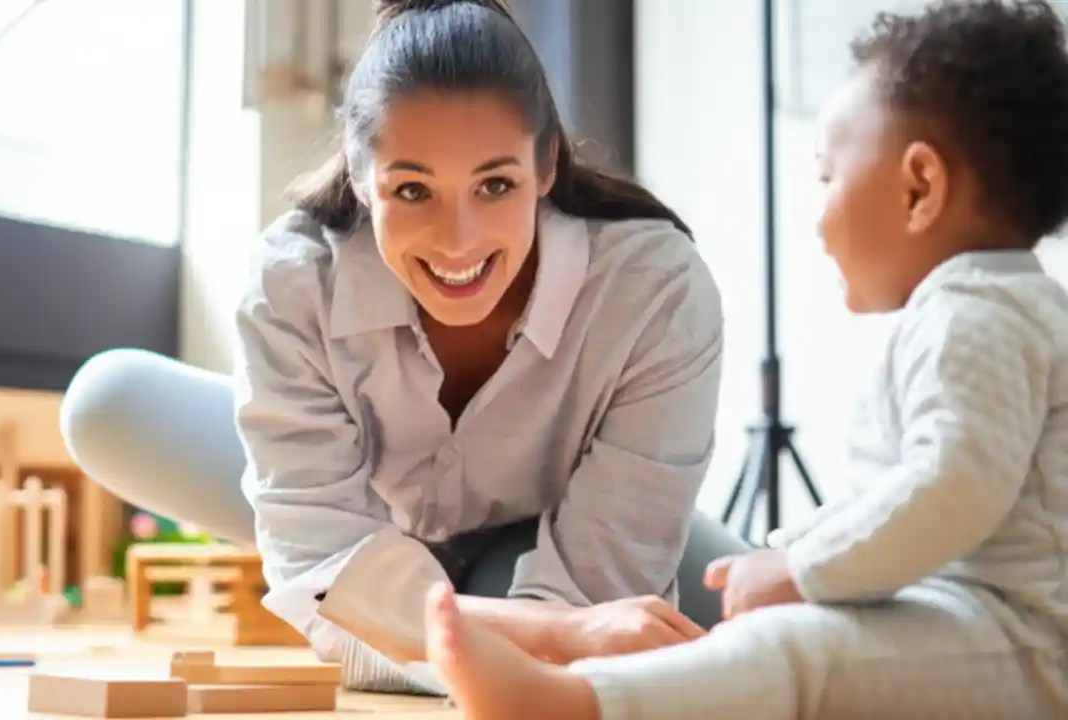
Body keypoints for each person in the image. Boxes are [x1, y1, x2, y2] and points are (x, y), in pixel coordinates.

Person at [419, 1, 1068, 718]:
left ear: (919, 188)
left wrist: (802, 570)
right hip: (983, 628)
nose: (818, 217)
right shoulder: (995, 308)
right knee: (789, 641)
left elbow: (949, 491)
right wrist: (798, 555)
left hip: (1027, 647)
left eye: (827, 178)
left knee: (795, 648)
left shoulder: (976, 317)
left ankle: (572, 703)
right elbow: (905, 495)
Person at [229, 0, 727, 691]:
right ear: (361, 175)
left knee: (731, 626)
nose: (458, 240)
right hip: (358, 511)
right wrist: (553, 635)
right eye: (412, 189)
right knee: (109, 403)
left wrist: (543, 626)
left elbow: (596, 605)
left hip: (544, 532)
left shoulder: (655, 292)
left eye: (495, 184)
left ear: (546, 163)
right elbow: (326, 588)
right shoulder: (292, 279)